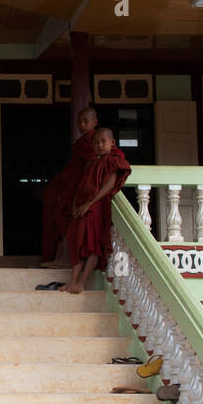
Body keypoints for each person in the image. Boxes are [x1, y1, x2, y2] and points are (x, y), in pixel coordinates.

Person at [62, 126, 131, 295]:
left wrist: (90, 203)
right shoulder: (90, 163)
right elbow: (80, 186)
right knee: (75, 243)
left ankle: (82, 282)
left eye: (103, 141)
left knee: (92, 245)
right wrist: (74, 206)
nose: (100, 145)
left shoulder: (112, 161)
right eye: (96, 143)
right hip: (81, 207)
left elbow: (108, 185)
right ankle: (72, 281)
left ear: (112, 142)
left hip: (95, 208)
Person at [41, 106, 99, 265]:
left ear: (95, 122)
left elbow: (95, 162)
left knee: (68, 220)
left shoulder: (96, 140)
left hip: (83, 187)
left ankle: (67, 257)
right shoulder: (80, 143)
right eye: (79, 122)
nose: (82, 125)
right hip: (72, 184)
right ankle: (60, 255)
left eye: (85, 121)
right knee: (59, 216)